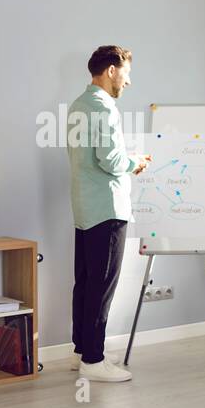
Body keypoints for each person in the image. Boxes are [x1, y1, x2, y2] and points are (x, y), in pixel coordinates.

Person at [67, 45, 150, 383]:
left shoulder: (77, 105)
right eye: (126, 73)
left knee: (85, 283)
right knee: (102, 287)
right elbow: (110, 160)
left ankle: (82, 350)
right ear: (112, 70)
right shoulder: (105, 108)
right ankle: (93, 360)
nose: (127, 82)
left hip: (85, 208)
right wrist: (136, 162)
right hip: (107, 208)